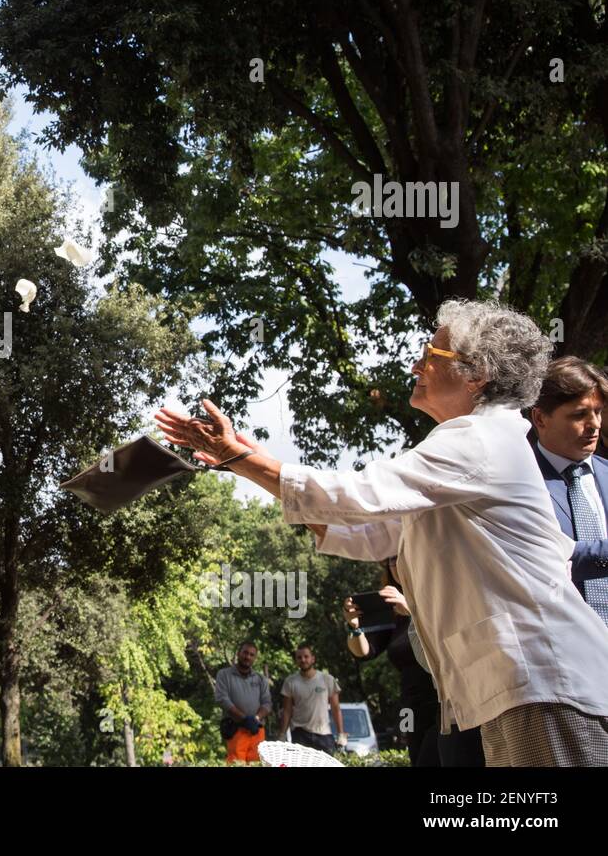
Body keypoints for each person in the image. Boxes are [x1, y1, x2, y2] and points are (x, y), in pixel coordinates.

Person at [157, 299, 608, 766]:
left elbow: (357, 496)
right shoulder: (477, 444)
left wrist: (241, 459)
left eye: (433, 355)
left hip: (546, 680)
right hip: (523, 686)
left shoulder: (480, 438)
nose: (417, 364)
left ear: (478, 375)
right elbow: (372, 532)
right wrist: (248, 465)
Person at [343, 558, 485, 766]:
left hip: (445, 700)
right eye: (391, 560)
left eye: (401, 556)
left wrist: (411, 609)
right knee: (418, 759)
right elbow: (365, 652)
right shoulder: (390, 610)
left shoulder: (436, 594)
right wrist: (354, 627)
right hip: (410, 706)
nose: (397, 563)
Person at [527, 356, 608, 626]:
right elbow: (544, 560)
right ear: (540, 418)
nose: (595, 424)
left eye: (597, 411)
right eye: (579, 414)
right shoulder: (518, 482)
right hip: (560, 647)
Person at [213, 641, 272, 763]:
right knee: (236, 763)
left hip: (257, 730)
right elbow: (222, 699)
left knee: (257, 764)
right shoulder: (224, 674)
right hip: (236, 729)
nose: (248, 657)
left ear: (255, 658)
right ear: (238, 653)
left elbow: (267, 703)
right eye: (245, 653)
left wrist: (256, 718)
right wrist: (244, 718)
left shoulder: (260, 679)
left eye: (252, 655)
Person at [279, 645, 344, 755]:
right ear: (296, 660)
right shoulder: (290, 682)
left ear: (313, 658)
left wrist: (341, 733)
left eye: (306, 656)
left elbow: (336, 708)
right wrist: (282, 734)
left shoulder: (327, 679)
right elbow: (287, 710)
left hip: (324, 733)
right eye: (299, 657)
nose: (303, 660)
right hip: (300, 734)